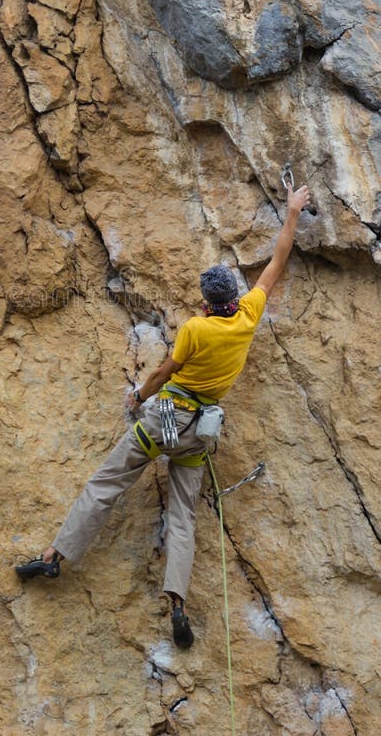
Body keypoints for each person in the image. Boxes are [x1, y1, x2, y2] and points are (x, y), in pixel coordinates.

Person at [16, 183, 311, 648]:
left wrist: (137, 398)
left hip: (167, 418)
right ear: (234, 297)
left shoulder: (196, 328)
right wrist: (292, 212)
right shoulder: (249, 315)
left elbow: (162, 372)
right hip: (199, 434)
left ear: (205, 302)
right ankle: (177, 604)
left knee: (106, 484)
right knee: (182, 518)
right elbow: (277, 262)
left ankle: (55, 556)